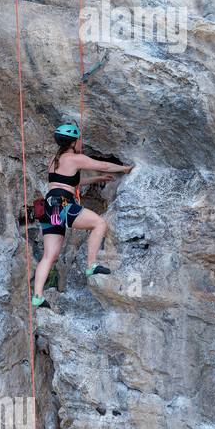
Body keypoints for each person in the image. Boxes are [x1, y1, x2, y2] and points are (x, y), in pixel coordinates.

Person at [31, 122, 133, 310]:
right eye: (79, 140)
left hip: (49, 207)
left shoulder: (54, 160)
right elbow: (102, 165)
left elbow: (69, 182)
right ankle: (91, 265)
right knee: (99, 223)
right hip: (61, 204)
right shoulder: (74, 158)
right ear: (75, 141)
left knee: (49, 256)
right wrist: (124, 169)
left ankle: (37, 296)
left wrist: (97, 179)